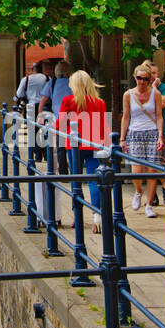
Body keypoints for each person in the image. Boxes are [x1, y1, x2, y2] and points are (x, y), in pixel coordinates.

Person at [55, 71, 109, 234]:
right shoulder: (100, 102)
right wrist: (106, 146)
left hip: (75, 147)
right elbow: (103, 126)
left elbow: (60, 124)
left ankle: (77, 217)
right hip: (95, 145)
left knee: (76, 181)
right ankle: (97, 218)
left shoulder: (69, 101)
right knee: (94, 180)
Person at [121, 62, 164, 219]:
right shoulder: (128, 95)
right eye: (139, 78)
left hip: (152, 132)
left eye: (145, 79)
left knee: (152, 170)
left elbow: (159, 116)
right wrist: (122, 138)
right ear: (134, 77)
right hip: (135, 133)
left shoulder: (156, 94)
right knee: (137, 170)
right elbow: (126, 117)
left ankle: (149, 205)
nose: (142, 82)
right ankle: (138, 192)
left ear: (149, 79)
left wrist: (160, 135)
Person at [149, 62, 165, 206]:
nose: (152, 76)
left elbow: (163, 102)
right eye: (149, 73)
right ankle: (152, 195)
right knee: (148, 165)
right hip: (145, 131)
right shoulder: (140, 89)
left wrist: (153, 88)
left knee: (161, 162)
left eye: (154, 73)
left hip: (161, 131)